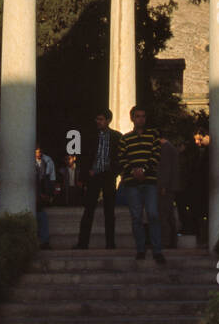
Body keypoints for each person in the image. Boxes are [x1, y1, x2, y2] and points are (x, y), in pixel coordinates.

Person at [120, 105, 165, 264]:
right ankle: (140, 249)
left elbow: (156, 155)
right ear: (132, 118)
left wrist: (144, 170)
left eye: (143, 116)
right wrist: (133, 171)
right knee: (136, 217)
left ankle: (157, 250)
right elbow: (122, 159)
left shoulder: (153, 136)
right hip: (132, 184)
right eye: (138, 116)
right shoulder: (125, 139)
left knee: (153, 214)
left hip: (150, 181)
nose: (141, 119)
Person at [75, 109, 121, 250]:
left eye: (101, 119)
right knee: (88, 210)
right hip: (94, 176)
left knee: (109, 211)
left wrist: (114, 172)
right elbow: (84, 156)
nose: (98, 122)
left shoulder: (117, 137)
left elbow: (120, 158)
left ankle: (110, 244)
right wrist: (85, 174)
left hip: (108, 176)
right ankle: (83, 244)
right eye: (97, 119)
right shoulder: (90, 135)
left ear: (108, 121)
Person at [157, 133, 182, 249]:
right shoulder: (170, 147)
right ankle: (171, 240)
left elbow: (165, 168)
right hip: (170, 186)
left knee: (164, 214)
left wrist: (163, 186)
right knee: (168, 214)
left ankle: (166, 241)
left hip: (166, 187)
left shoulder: (165, 148)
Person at [35, 146, 56, 249]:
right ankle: (43, 240)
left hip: (40, 194)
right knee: (40, 216)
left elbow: (49, 178)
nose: (38, 154)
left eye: (39, 152)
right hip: (34, 193)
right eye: (36, 152)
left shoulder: (47, 161)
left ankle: (44, 241)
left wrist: (48, 194)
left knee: (41, 215)